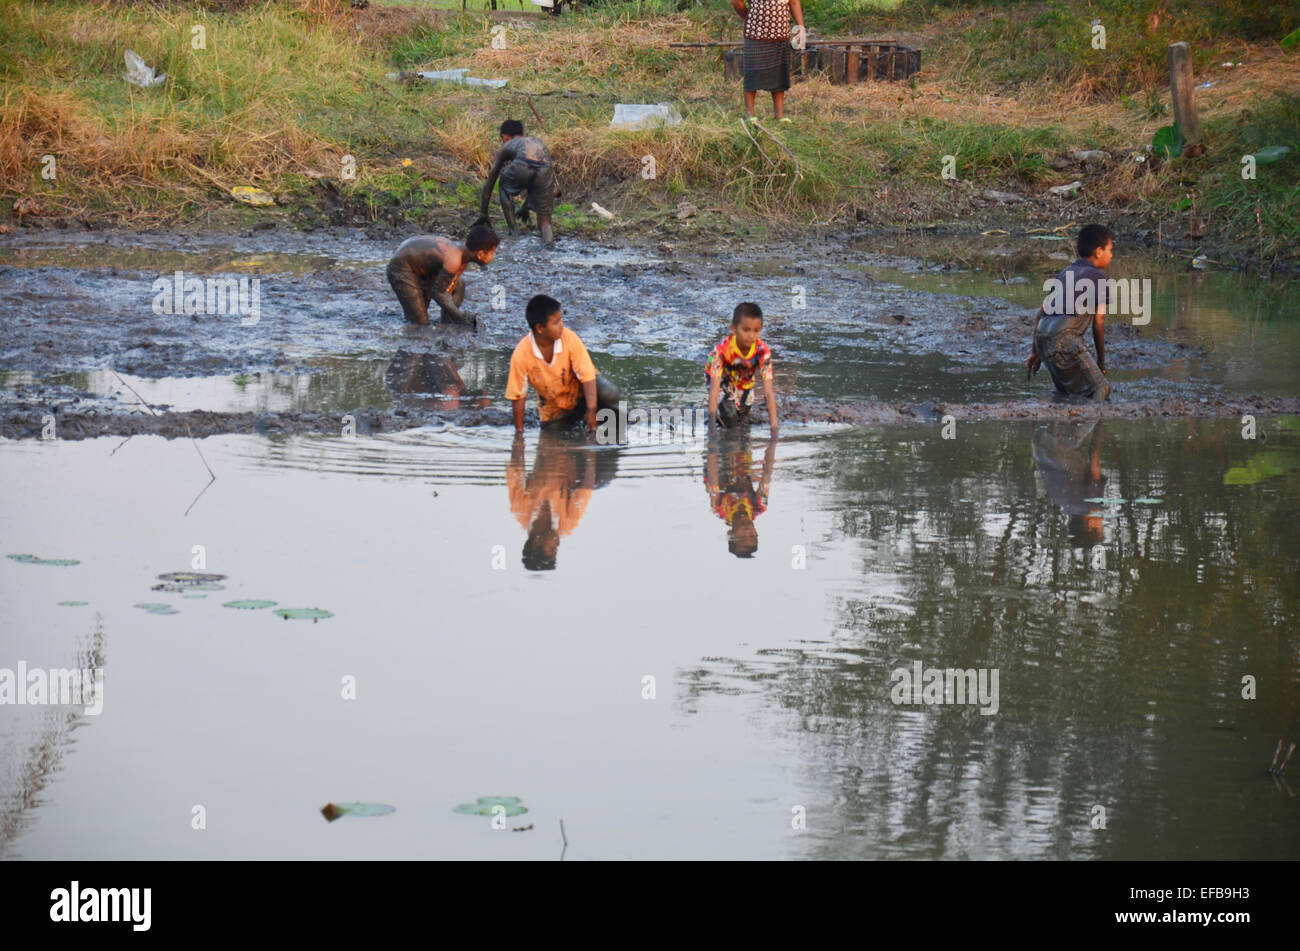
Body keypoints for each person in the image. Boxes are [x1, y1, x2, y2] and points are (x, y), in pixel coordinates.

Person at [506, 294, 621, 434]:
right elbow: (518, 396)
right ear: (540, 328)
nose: (561, 326)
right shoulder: (521, 354)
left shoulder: (569, 339)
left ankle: (613, 418)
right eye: (555, 323)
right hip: (555, 409)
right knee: (554, 443)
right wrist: (519, 433)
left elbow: (587, 376)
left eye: (561, 320)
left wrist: (591, 410)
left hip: (582, 396)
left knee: (609, 393)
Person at [1027, 224, 1114, 402]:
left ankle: (1066, 426)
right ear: (1098, 251)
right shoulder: (1101, 279)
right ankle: (1096, 425)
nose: (1111, 256)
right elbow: (1099, 322)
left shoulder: (1065, 272)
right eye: (1110, 250)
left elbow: (1041, 313)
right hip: (1065, 339)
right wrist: (1101, 363)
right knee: (1101, 387)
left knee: (1067, 392)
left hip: (1043, 339)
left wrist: (1035, 352)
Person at [386, 226, 499, 328]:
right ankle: (449, 319)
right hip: (401, 268)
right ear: (480, 254)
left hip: (421, 268)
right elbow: (438, 293)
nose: (493, 256)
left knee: (459, 285)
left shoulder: (461, 258)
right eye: (492, 253)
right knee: (420, 324)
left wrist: (454, 315)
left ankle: (448, 321)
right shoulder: (454, 260)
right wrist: (463, 317)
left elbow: (447, 288)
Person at [477, 120, 559, 248]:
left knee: (503, 185)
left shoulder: (507, 145)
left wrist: (483, 213)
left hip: (523, 162)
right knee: (545, 220)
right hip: (546, 166)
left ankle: (513, 232)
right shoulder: (534, 141)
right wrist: (525, 207)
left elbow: (491, 181)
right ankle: (549, 245)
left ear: (505, 137)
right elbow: (534, 182)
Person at [706, 302, 779, 434]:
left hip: (744, 383)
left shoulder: (763, 352)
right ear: (734, 329)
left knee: (742, 417)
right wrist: (711, 429)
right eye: (746, 330)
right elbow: (714, 390)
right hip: (722, 380)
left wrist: (774, 428)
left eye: (756, 330)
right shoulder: (722, 351)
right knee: (729, 414)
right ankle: (719, 418)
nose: (751, 336)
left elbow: (768, 393)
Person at [730, 0, 805, 123]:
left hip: (780, 33)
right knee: (752, 73)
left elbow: (794, 2)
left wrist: (800, 28)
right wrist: (748, 16)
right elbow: (736, 2)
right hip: (755, 34)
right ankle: (750, 114)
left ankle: (779, 115)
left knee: (779, 74)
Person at [705, 438, 775, 559]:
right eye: (752, 536)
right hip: (743, 459)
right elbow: (767, 472)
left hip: (719, 459)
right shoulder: (759, 506)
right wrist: (773, 442)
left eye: (742, 536)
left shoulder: (718, 507)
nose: (747, 531)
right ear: (756, 532)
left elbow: (712, 473)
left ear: (730, 533)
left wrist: (712, 443)